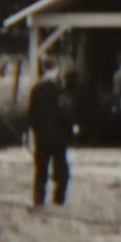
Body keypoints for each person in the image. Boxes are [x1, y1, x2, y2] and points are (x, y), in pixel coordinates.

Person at [27, 60, 73, 209]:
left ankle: (38, 198)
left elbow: (31, 114)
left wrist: (32, 130)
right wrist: (70, 129)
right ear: (55, 70)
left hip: (41, 135)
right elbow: (66, 112)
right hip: (58, 135)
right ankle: (59, 198)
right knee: (61, 168)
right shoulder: (60, 90)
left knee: (41, 168)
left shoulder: (35, 90)